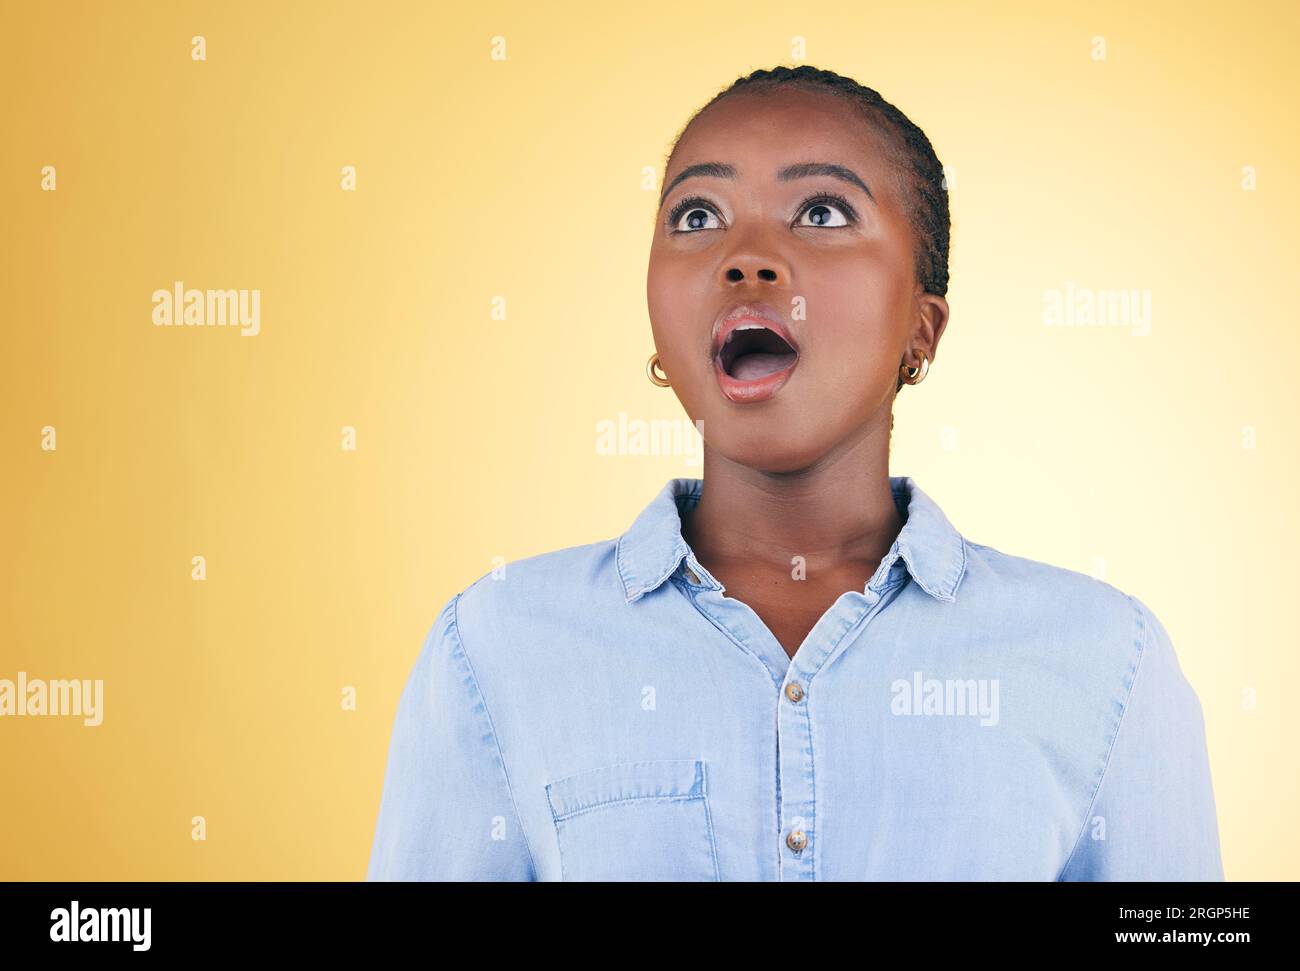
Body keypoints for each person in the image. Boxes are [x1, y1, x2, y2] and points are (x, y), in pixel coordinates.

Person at [366, 65, 1223, 881]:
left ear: (922, 330)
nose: (746, 259)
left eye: (820, 210)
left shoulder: (1108, 661)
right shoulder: (494, 649)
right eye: (697, 216)